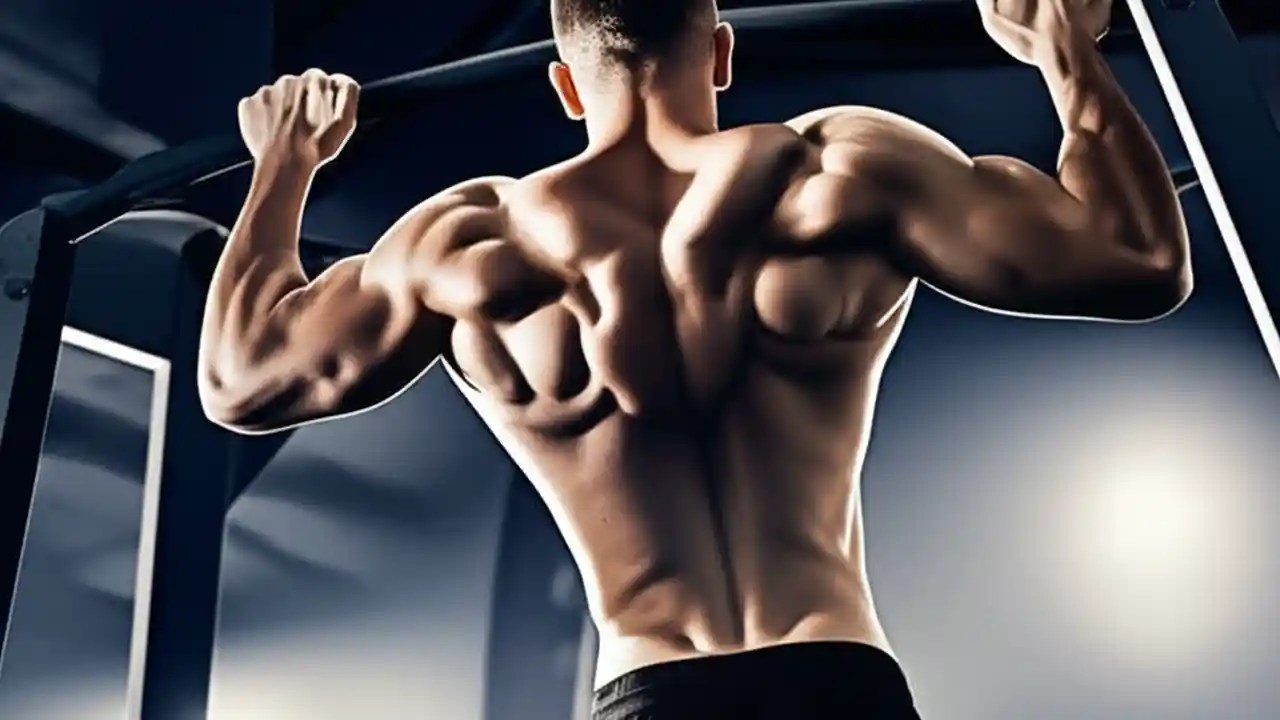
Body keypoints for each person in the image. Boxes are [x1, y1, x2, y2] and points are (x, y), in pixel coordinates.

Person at [198, 0, 1192, 716]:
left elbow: (240, 380)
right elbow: (1138, 260)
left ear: (560, 81)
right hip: (831, 675)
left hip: (651, 690)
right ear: (719, 52)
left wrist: (285, 164)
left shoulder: (468, 244)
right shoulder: (836, 171)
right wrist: (1058, 44)